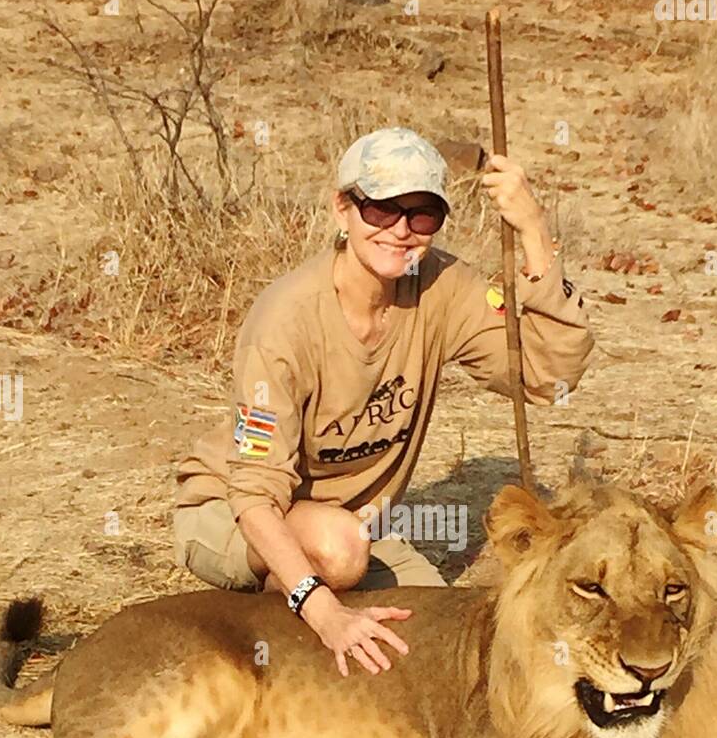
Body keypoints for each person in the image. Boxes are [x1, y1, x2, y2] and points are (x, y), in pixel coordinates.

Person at [174, 126, 592, 676]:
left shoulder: (441, 286)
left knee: (447, 640)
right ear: (342, 209)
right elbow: (254, 495)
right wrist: (325, 613)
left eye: (421, 215)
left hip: (354, 526)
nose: (400, 231)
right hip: (234, 517)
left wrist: (533, 232)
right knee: (338, 551)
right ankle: (268, 661)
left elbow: (547, 374)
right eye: (380, 210)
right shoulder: (284, 320)